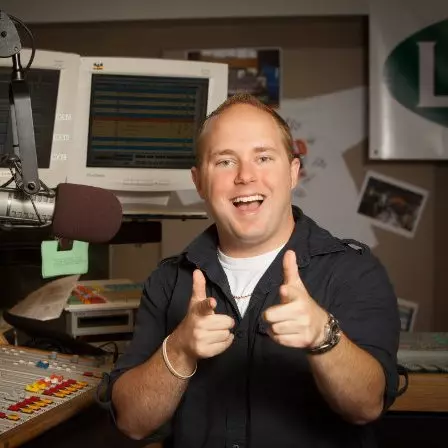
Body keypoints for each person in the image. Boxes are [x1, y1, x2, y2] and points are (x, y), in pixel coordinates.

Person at [98, 93, 401, 448]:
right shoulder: (168, 281)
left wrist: (324, 336)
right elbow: (133, 423)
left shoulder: (355, 271)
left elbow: (366, 406)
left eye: (263, 158)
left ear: (292, 172)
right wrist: (179, 349)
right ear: (198, 182)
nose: (245, 176)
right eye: (225, 162)